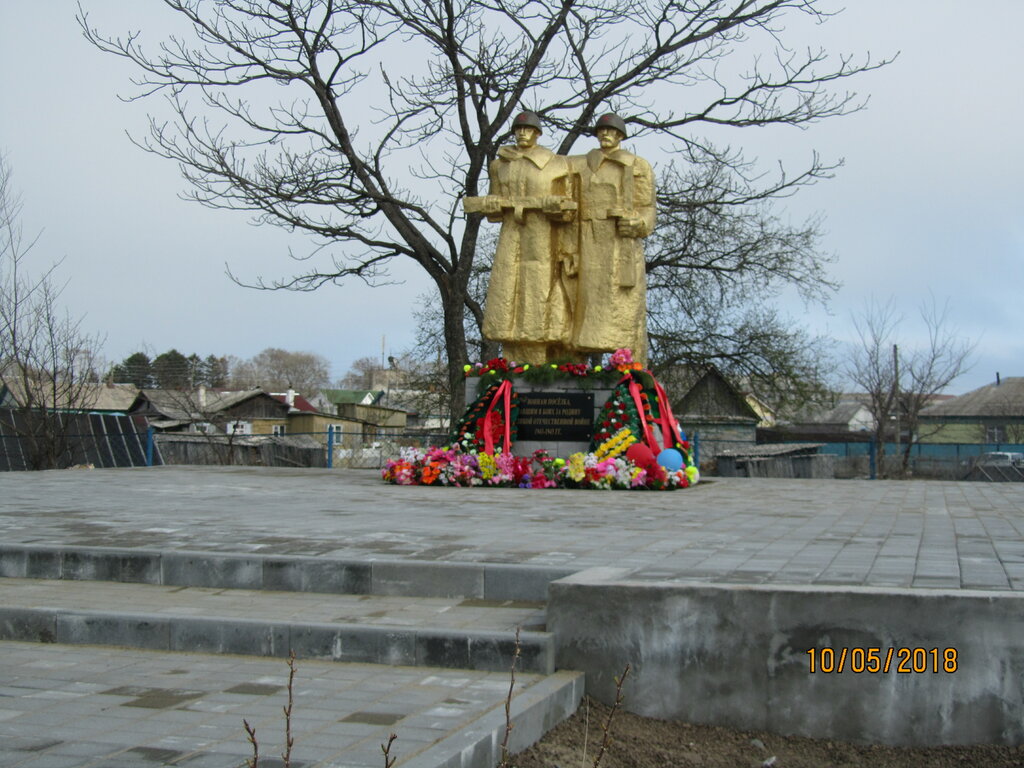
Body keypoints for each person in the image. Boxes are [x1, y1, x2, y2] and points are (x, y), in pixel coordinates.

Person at [464, 111, 576, 363]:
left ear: (537, 133)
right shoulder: (500, 164)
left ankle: (540, 341)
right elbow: (493, 211)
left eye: (528, 129)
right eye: (519, 129)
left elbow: (569, 210)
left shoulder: (555, 163)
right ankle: (513, 348)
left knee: (539, 281)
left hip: (542, 232)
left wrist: (554, 207)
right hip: (512, 231)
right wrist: (492, 205)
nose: (523, 133)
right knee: (507, 281)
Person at [569, 113, 655, 365]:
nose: (605, 134)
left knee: (624, 312)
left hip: (619, 246)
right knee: (580, 312)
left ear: (620, 135)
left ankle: (629, 367)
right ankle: (572, 370)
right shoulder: (581, 164)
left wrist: (638, 222)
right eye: (601, 130)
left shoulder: (636, 165)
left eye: (611, 131)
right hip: (585, 242)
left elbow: (647, 207)